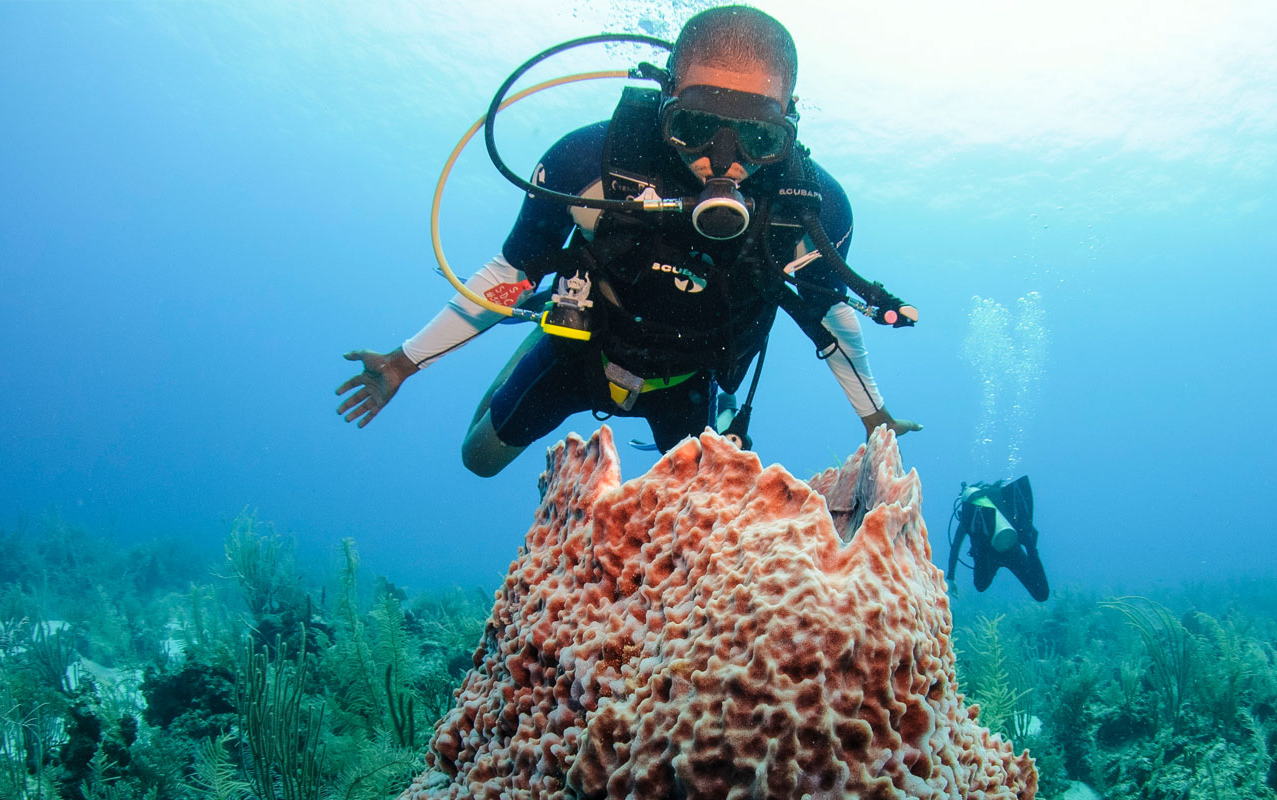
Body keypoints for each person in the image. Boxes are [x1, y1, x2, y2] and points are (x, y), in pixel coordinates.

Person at [336, 6, 920, 477]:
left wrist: (875, 417)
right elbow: (511, 273)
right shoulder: (590, 164)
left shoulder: (811, 210)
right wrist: (404, 361)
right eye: (693, 129)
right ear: (667, 98)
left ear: (788, 124)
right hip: (581, 348)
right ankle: (527, 347)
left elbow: (828, 313)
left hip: (691, 382)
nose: (723, 163)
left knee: (707, 524)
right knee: (479, 461)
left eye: (758, 139)